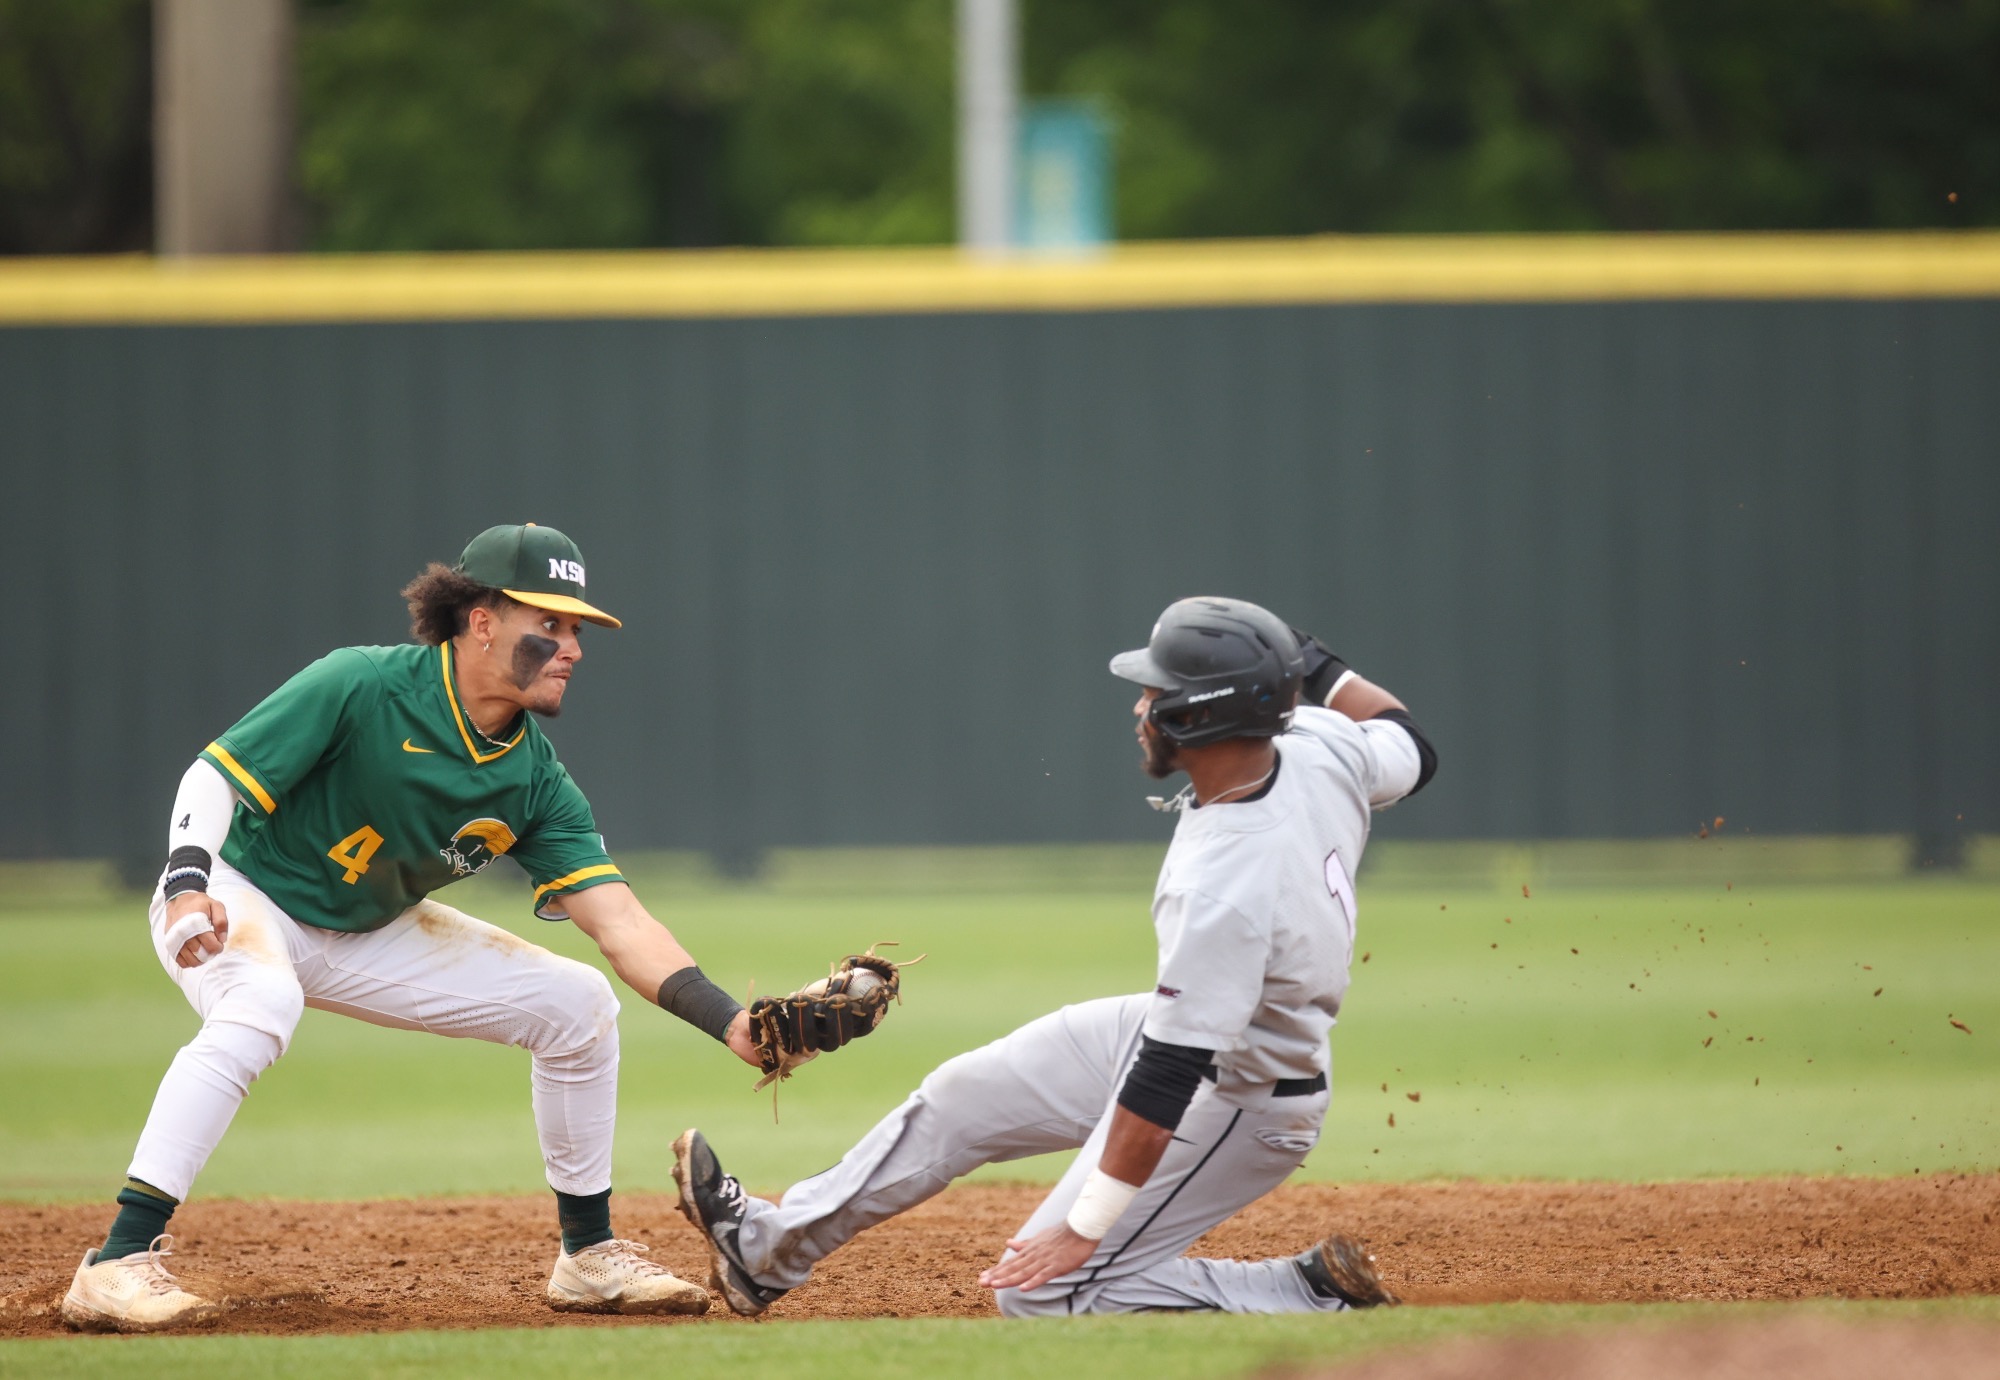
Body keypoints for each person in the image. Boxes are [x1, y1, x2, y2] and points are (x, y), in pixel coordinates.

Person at [62, 524, 766, 1332]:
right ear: (482, 620)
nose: (572, 646)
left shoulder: (534, 776)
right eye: (551, 623)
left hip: (367, 927)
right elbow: (214, 774)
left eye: (577, 629)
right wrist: (188, 878)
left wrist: (735, 1024)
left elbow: (621, 922)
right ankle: (118, 1262)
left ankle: (588, 1255)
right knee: (260, 1004)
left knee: (580, 1006)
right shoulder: (362, 683)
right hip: (237, 891)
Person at [672, 595, 1438, 1317]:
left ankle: (1299, 1292)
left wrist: (1085, 1227)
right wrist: (1312, 665)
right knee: (963, 1096)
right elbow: (1411, 743)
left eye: (1154, 693)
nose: (1139, 708)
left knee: (1043, 1295)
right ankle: (763, 1251)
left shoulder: (1225, 887)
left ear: (1194, 715)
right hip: (1198, 1037)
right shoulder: (1321, 743)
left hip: (1244, 1094)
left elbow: (1168, 1082)